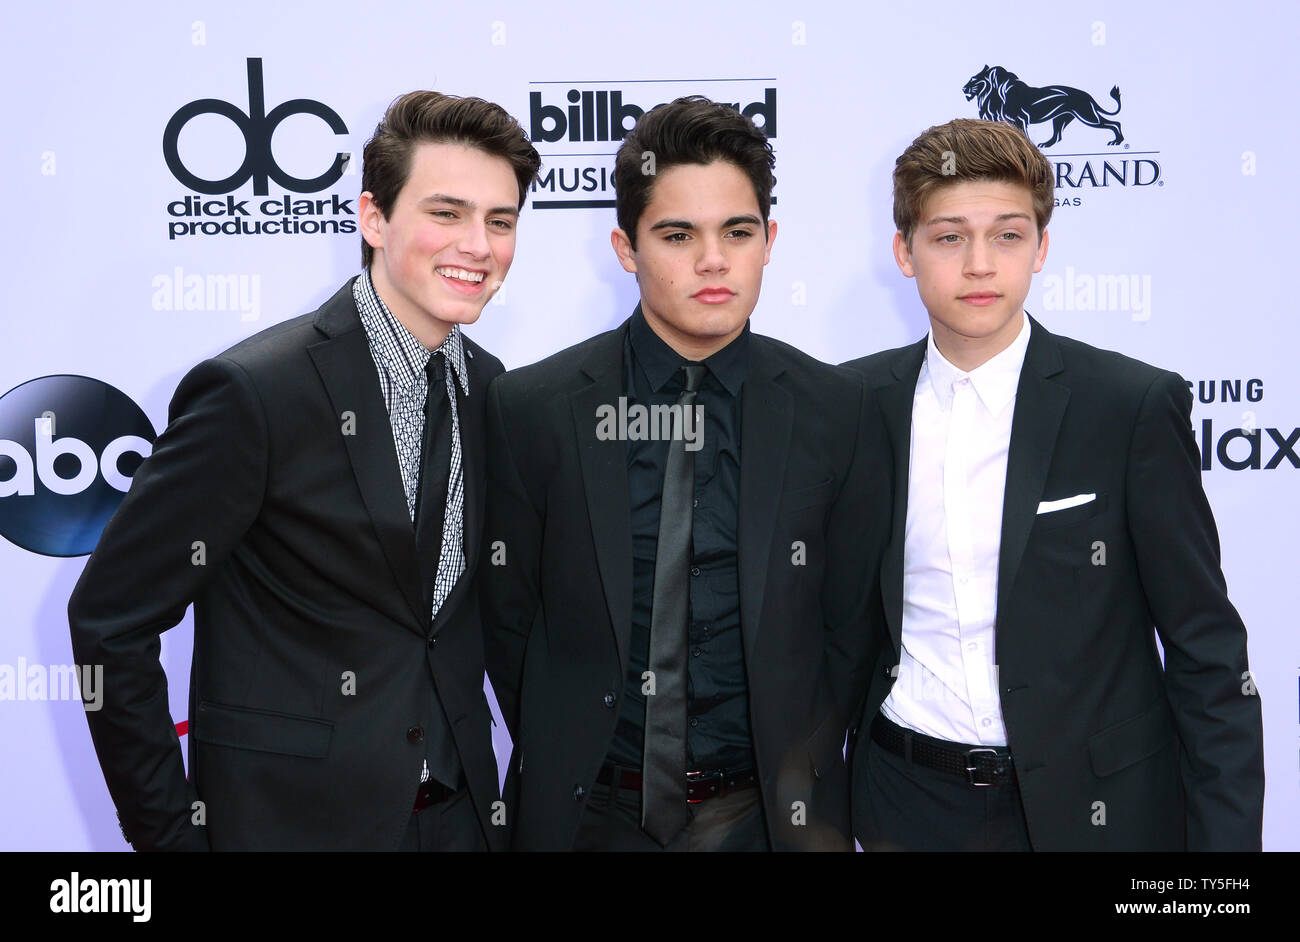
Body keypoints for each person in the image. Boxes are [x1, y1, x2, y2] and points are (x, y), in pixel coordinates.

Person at [67, 91, 540, 851]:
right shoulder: (256, 392)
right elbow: (109, 620)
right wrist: (169, 840)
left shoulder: (492, 387)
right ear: (373, 219)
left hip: (461, 820)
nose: (478, 246)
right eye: (447, 213)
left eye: (501, 220)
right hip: (293, 827)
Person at [481, 95, 890, 851]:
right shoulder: (531, 407)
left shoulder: (838, 411)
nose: (712, 261)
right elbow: (508, 622)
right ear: (625, 247)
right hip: (583, 821)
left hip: (770, 823)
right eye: (677, 234)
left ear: (768, 241)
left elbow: (850, 631)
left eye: (737, 232)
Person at [843, 117, 1264, 851]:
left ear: (1042, 249)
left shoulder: (1126, 406)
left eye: (1007, 235)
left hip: (1098, 813)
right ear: (904, 253)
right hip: (904, 804)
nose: (979, 265)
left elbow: (1206, 653)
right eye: (948, 237)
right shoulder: (849, 408)